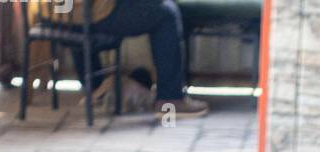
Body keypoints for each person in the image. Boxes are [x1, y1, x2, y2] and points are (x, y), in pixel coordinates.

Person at [41, 0, 209, 118]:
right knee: (166, 13)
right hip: (85, 14)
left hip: (50, 14)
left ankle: (96, 87)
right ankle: (170, 100)